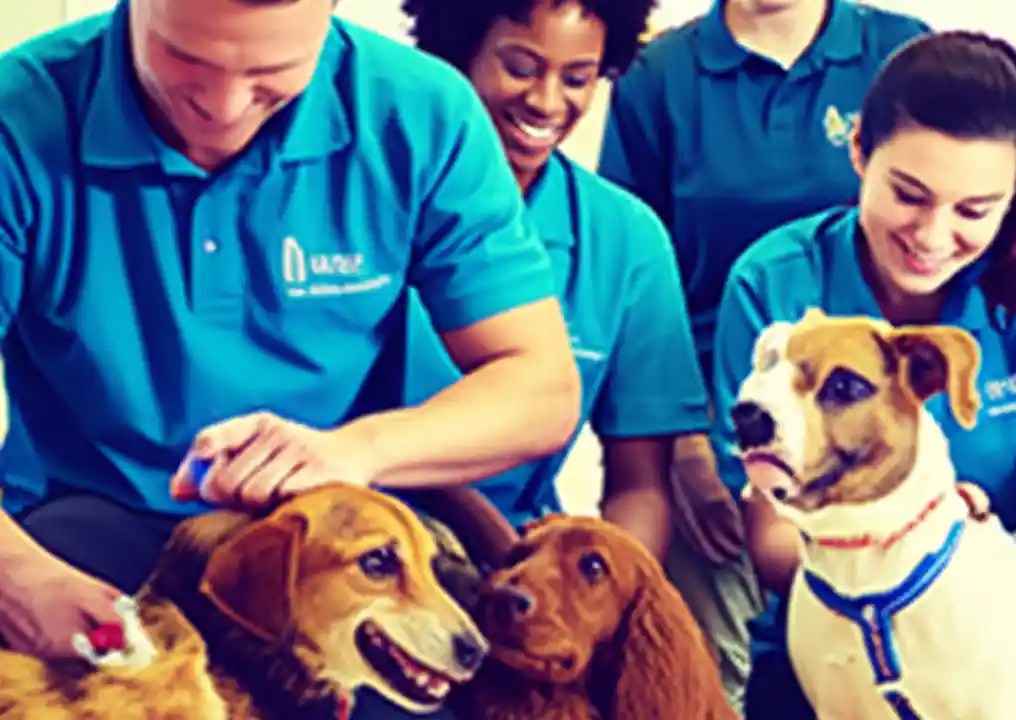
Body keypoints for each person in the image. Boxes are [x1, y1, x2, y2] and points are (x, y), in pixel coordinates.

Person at [0, 2, 581, 719]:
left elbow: (542, 385)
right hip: (86, 529)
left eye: (272, 80)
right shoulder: (19, 115)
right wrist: (12, 574)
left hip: (328, 540)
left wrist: (356, 449)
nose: (223, 109)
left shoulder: (419, 114)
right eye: (188, 63)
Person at [711, 31, 1016, 719]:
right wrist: (915, 531)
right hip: (830, 644)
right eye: (909, 195)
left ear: (1013, 198)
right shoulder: (778, 285)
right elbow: (772, 537)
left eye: (975, 210)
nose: (934, 236)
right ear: (858, 150)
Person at [597, 0, 932, 709]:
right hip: (714, 430)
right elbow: (636, 272)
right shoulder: (659, 74)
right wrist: (685, 442)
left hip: (860, 431)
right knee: (713, 680)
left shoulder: (898, 51)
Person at [398, 0, 708, 556]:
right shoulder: (377, 197)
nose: (545, 102)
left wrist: (609, 610)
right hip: (362, 550)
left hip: (524, 570)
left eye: (577, 78)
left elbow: (639, 487)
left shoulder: (625, 237)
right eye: (519, 68)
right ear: (459, 53)